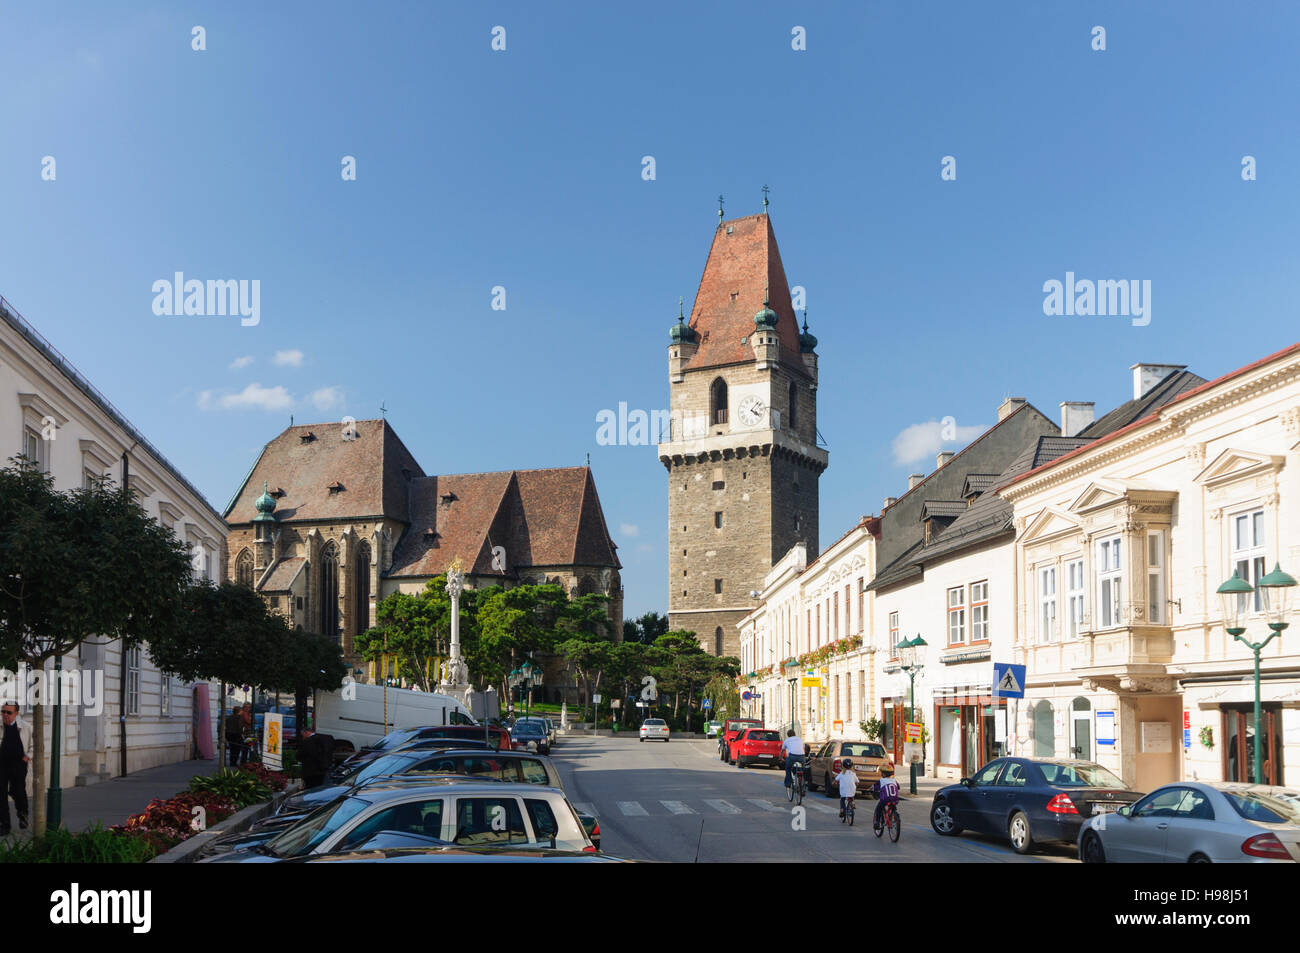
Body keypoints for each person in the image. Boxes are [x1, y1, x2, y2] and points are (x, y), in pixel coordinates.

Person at [0, 704, 29, 834]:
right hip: (2, 764)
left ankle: (23, 815)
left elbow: (36, 744)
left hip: (18, 764)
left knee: (18, 791)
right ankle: (5, 826)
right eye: (3, 712)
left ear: (16, 713)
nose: (5, 714)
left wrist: (28, 757)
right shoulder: (1, 727)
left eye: (9, 712)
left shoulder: (26, 727)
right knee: (1, 795)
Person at [297, 725, 335, 790]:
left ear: (306, 733)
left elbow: (300, 755)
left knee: (311, 788)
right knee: (320, 786)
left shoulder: (306, 742)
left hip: (310, 770)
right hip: (323, 768)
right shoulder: (327, 738)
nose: (303, 737)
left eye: (302, 735)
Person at [872, 764, 901, 830]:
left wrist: (874, 791)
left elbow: (875, 788)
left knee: (878, 808)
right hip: (895, 799)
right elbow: (898, 787)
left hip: (885, 799)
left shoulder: (881, 780)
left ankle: (877, 822)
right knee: (893, 806)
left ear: (883, 774)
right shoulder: (894, 780)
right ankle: (894, 814)